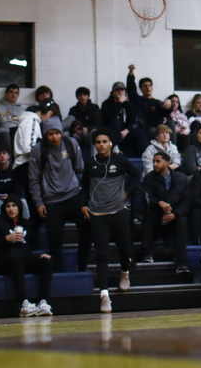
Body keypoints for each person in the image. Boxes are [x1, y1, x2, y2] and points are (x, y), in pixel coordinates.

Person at [82, 128, 139, 313]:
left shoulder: (120, 161)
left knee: (125, 250)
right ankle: (104, 295)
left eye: (104, 141)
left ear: (111, 143)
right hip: (97, 215)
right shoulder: (89, 163)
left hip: (118, 212)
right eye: (98, 142)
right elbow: (83, 186)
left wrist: (126, 191)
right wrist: (84, 205)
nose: (101, 145)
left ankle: (125, 272)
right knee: (102, 254)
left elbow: (137, 175)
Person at [30, 116, 90, 273]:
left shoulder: (71, 143)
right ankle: (59, 273)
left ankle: (81, 267)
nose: (55, 136)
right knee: (55, 242)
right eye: (51, 133)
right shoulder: (38, 150)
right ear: (45, 135)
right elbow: (34, 180)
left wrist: (85, 197)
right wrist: (39, 203)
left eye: (57, 132)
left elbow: (81, 171)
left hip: (74, 196)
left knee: (87, 231)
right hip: (52, 201)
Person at [0, 196, 53, 317]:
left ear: (20, 208)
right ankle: (24, 303)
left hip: (24, 258)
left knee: (45, 260)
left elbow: (31, 245)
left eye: (14, 206)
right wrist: (6, 239)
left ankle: (43, 302)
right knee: (16, 258)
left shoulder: (27, 224)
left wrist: (38, 256)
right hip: (5, 260)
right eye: (8, 206)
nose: (11, 209)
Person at [140, 152, 190, 272]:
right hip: (157, 215)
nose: (155, 164)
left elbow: (187, 201)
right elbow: (145, 198)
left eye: (158, 161)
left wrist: (175, 214)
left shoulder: (181, 178)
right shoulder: (149, 178)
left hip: (174, 216)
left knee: (182, 219)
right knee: (147, 215)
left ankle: (181, 262)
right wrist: (159, 202)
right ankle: (147, 254)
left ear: (167, 163)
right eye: (154, 162)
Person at [102, 82, 149, 158]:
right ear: (113, 92)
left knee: (140, 133)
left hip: (125, 133)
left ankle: (144, 155)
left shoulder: (129, 105)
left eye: (122, 89)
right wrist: (119, 103)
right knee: (115, 121)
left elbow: (132, 120)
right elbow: (111, 117)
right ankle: (115, 148)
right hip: (112, 133)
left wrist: (126, 130)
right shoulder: (106, 104)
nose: (120, 91)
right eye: (117, 90)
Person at [127, 65, 167, 131]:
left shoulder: (157, 102)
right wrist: (131, 72)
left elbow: (166, 112)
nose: (148, 87)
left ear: (152, 88)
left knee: (170, 124)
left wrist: (169, 102)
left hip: (159, 129)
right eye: (145, 86)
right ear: (141, 89)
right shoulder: (138, 100)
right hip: (145, 129)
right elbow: (131, 89)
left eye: (149, 85)